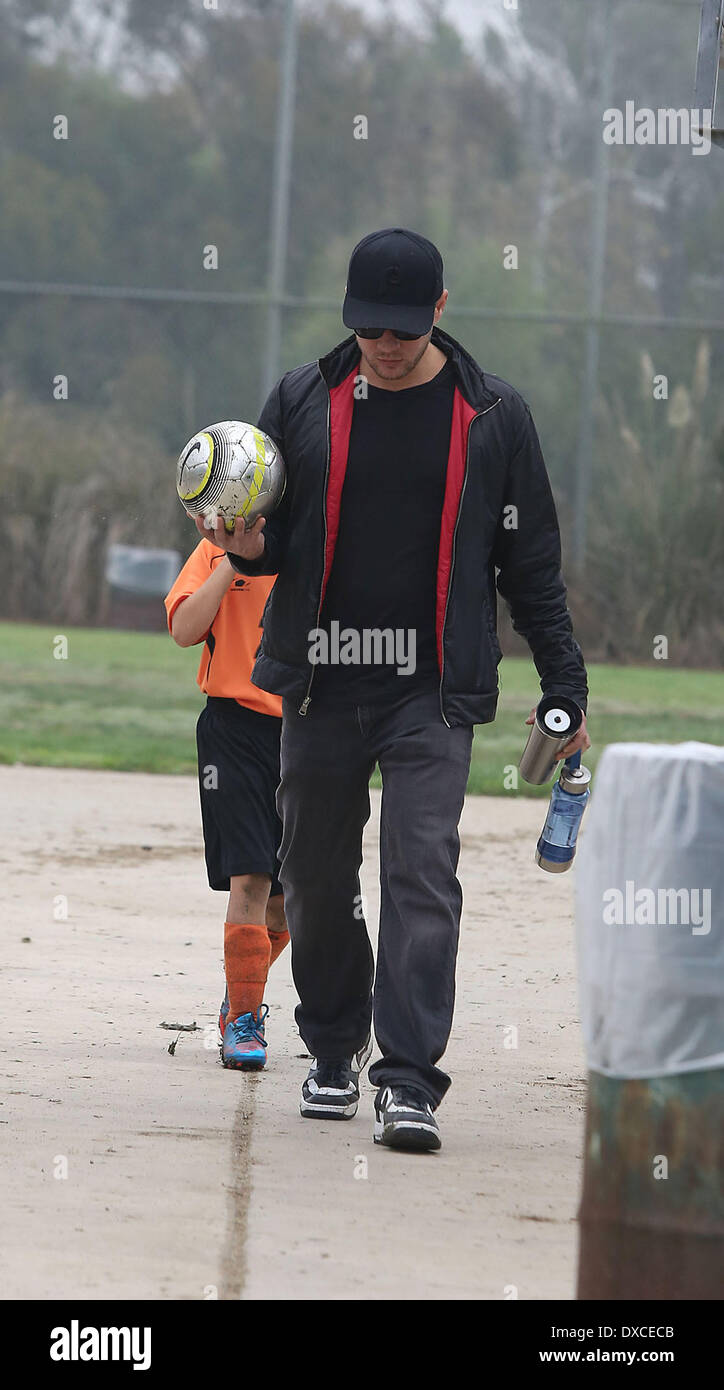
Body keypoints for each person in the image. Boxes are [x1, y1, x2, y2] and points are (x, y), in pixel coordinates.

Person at [194, 226, 590, 1149]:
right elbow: (276, 539)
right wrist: (247, 546)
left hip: (433, 691)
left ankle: (408, 1078)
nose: (386, 344)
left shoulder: (495, 418)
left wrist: (563, 679)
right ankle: (335, 1045)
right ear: (351, 316)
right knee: (318, 878)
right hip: (322, 683)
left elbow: (530, 564)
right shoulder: (302, 399)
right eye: (370, 327)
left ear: (440, 314)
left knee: (423, 875)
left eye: (404, 330)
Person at [164, 539, 289, 1070]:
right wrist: (233, 563)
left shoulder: (312, 541)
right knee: (252, 878)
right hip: (232, 728)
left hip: (305, 731)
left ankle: (240, 990)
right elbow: (184, 629)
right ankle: (245, 1018)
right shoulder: (214, 551)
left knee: (292, 897)